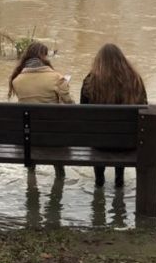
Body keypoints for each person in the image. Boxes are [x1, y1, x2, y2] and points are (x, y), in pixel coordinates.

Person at [80, 43, 147, 187]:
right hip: (126, 143)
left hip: (99, 143)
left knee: (100, 131)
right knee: (120, 131)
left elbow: (83, 114)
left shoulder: (90, 81)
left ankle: (99, 180)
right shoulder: (135, 79)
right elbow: (144, 107)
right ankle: (119, 179)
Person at [8, 41, 73, 176]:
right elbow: (70, 106)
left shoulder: (16, 80)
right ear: (43, 56)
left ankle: (31, 177)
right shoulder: (56, 78)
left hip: (27, 137)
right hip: (53, 137)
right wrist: (65, 87)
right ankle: (59, 176)